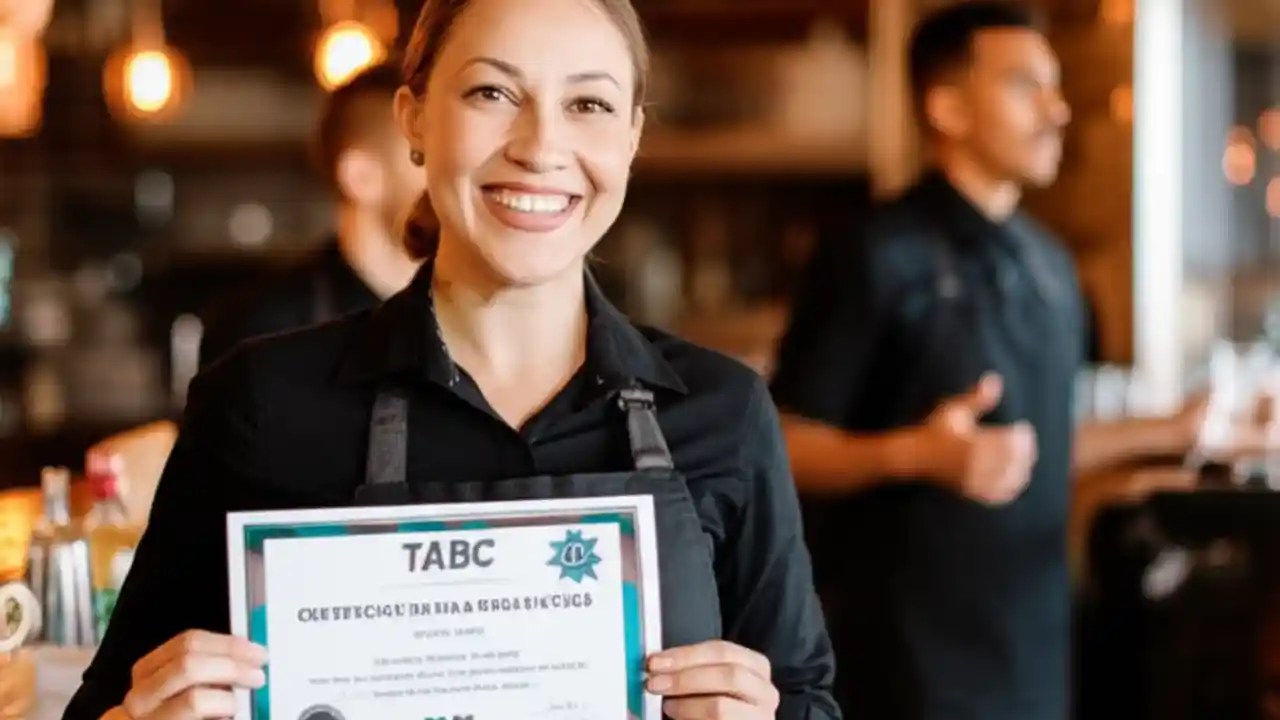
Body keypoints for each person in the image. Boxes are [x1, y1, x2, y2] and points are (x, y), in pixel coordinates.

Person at [63, 0, 839, 718]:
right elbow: (103, 701)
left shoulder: (721, 409)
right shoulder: (260, 402)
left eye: (589, 104)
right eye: (492, 94)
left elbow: (807, 696)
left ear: (631, 137)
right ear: (415, 120)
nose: (541, 147)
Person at [770, 3, 1204, 719]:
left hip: (1035, 644)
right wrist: (916, 454)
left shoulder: (1053, 267)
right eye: (1024, 86)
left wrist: (1179, 429)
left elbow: (1037, 446)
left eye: (1056, 87)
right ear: (946, 107)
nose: (1057, 110)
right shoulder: (873, 255)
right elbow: (782, 445)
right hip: (905, 658)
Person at [198, 62, 428, 368]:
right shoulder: (267, 333)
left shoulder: (469, 325)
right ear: (360, 176)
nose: (455, 178)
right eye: (425, 158)